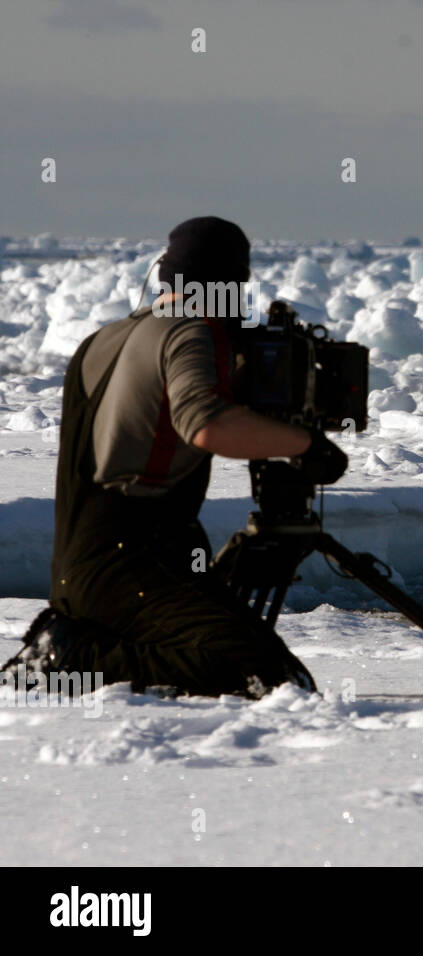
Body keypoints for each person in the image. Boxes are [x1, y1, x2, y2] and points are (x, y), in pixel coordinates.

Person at [4, 217, 346, 697]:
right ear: (228, 285)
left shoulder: (104, 339)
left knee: (240, 650)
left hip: (85, 562)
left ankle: (82, 648)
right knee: (261, 673)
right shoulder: (187, 332)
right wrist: (307, 446)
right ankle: (70, 658)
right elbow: (206, 425)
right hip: (131, 563)